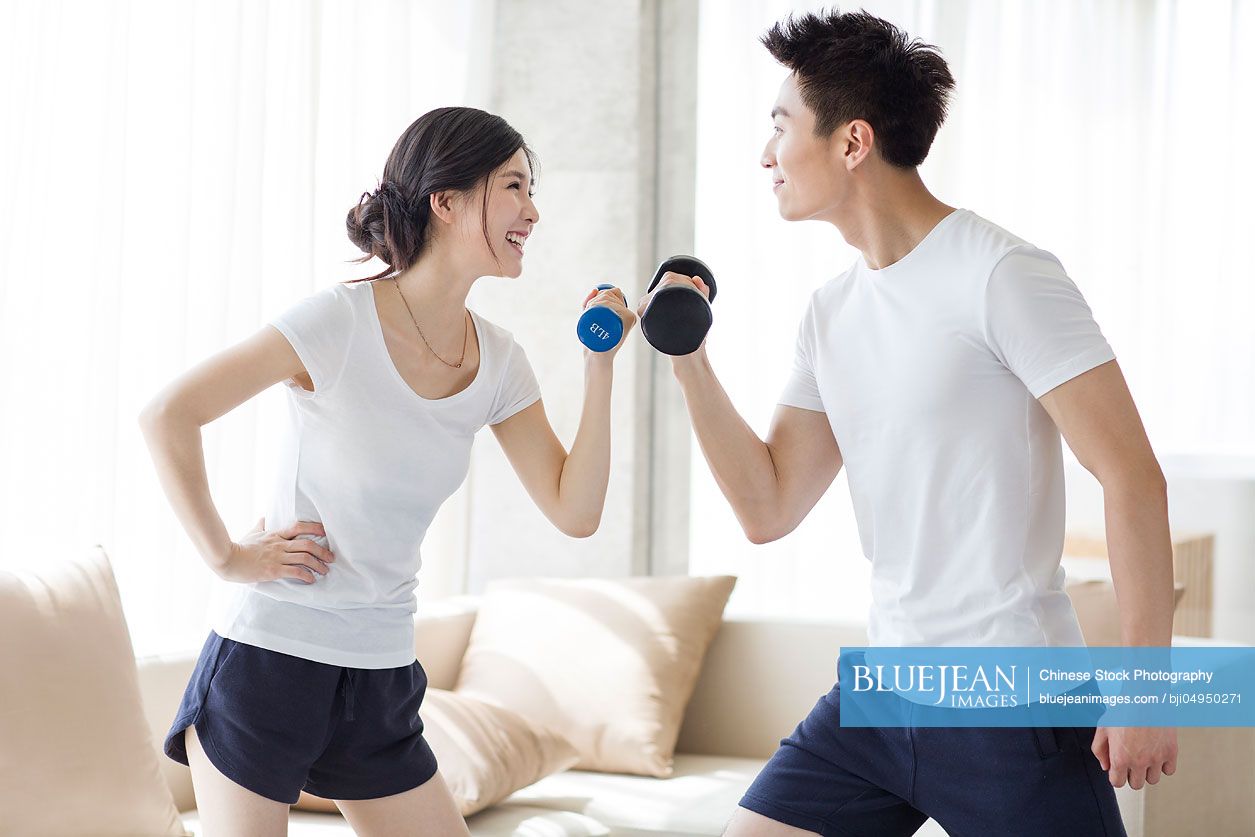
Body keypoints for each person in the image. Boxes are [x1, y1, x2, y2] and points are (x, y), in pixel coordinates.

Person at [636, 10, 1177, 837]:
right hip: (881, 697)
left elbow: (1131, 474)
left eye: (779, 128)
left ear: (852, 142)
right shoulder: (831, 312)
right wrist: (687, 357)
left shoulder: (1003, 274)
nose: (763, 155)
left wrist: (1146, 689)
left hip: (1009, 698)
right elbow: (767, 507)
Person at [138, 106, 635, 837]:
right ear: (446, 199)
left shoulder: (498, 363)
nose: (532, 211)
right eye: (514, 187)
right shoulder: (336, 323)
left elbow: (575, 510)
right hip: (268, 658)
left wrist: (600, 368)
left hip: (378, 674)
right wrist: (227, 555)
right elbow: (168, 414)